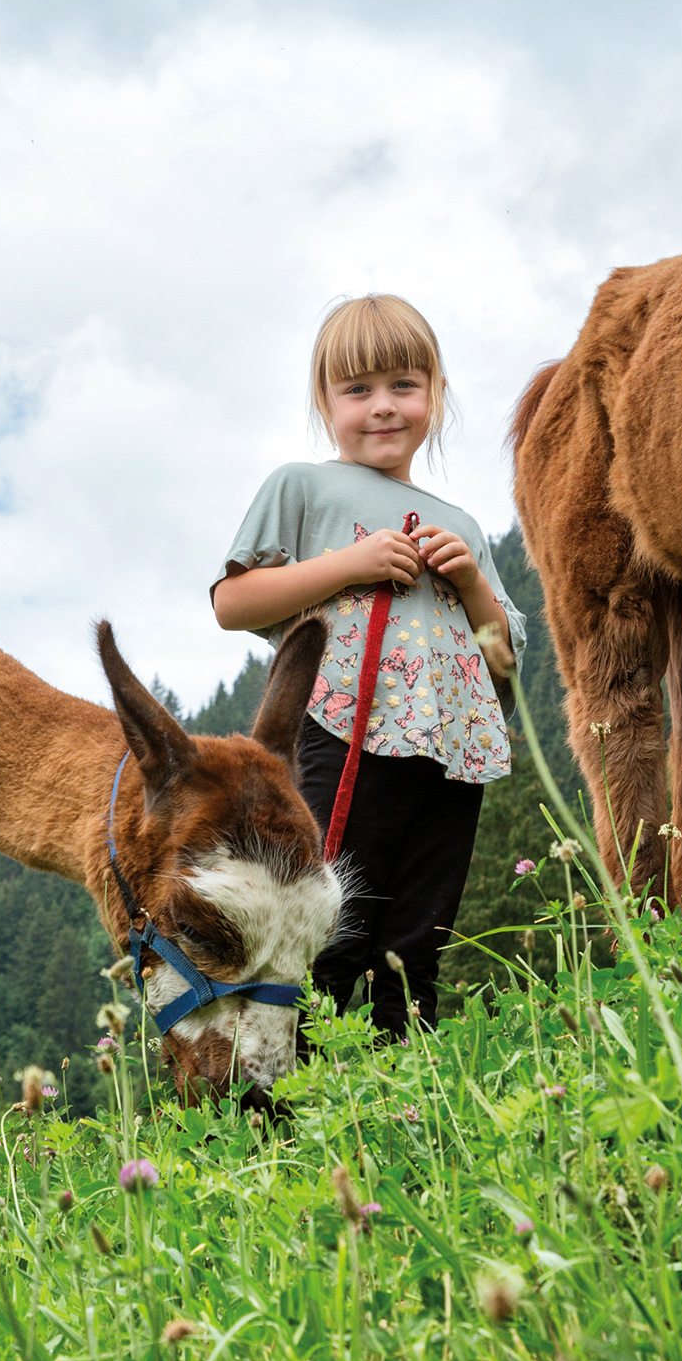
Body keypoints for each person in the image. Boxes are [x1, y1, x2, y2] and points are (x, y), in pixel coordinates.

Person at [211, 294, 525, 1038]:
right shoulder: (303, 485)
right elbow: (233, 602)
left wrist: (470, 581)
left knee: (419, 934)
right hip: (340, 730)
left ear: (435, 394)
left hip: (450, 751)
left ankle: (407, 1074)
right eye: (358, 389)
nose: (383, 405)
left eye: (403, 385)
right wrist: (350, 563)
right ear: (325, 402)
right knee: (327, 922)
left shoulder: (464, 525)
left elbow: (503, 663)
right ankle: (289, 1077)